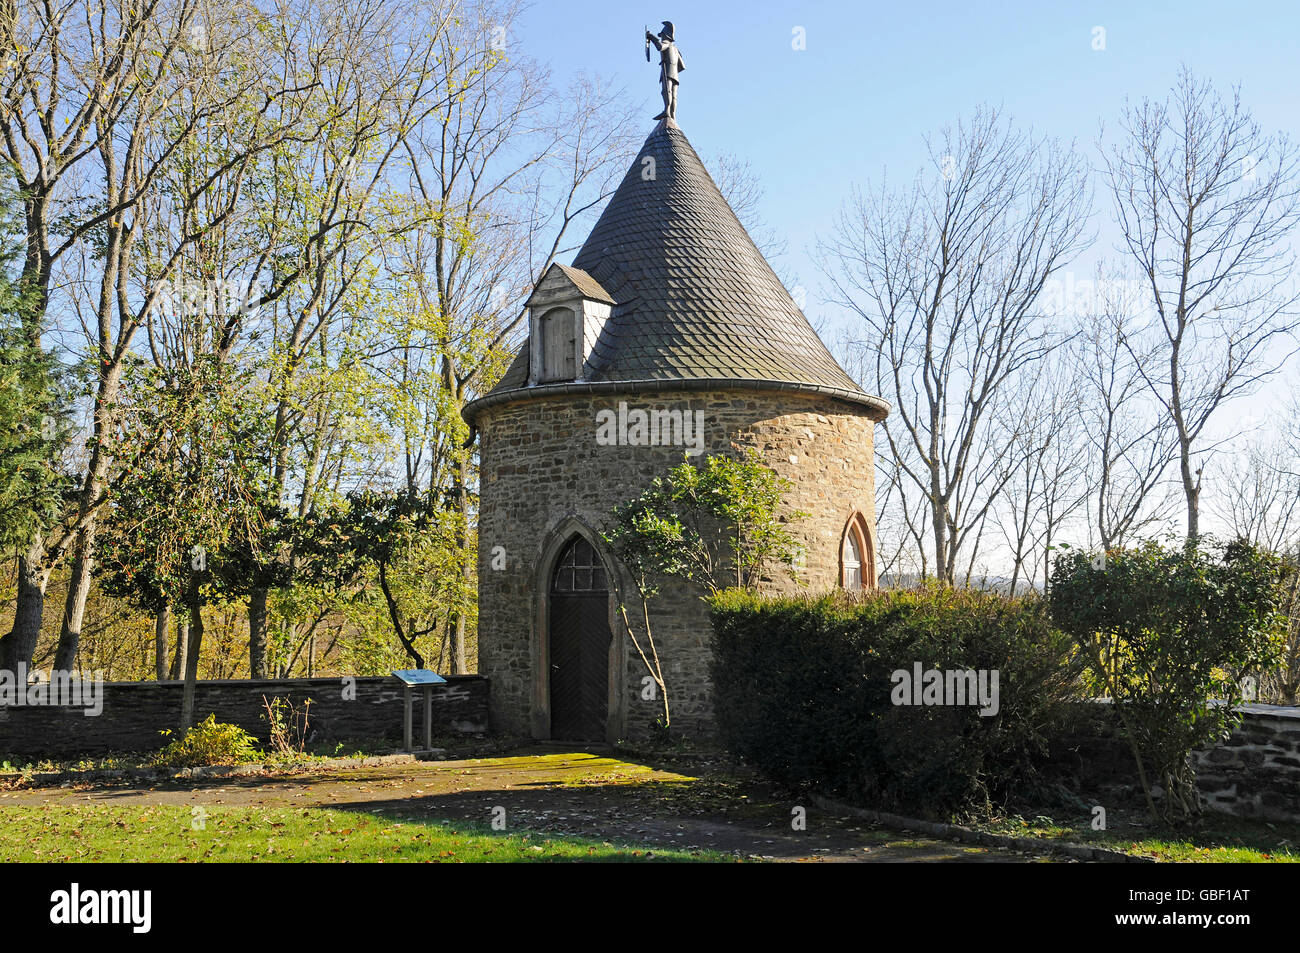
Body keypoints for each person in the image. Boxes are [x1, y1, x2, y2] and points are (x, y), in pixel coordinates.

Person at [645, 21, 685, 121]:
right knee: (673, 94)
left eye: (662, 35)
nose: (661, 37)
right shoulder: (676, 49)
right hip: (675, 74)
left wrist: (652, 37)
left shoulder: (667, 44)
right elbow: (682, 66)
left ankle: (667, 111)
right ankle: (672, 114)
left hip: (668, 71)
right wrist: (673, 67)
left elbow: (660, 47)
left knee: (666, 91)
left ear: (665, 35)